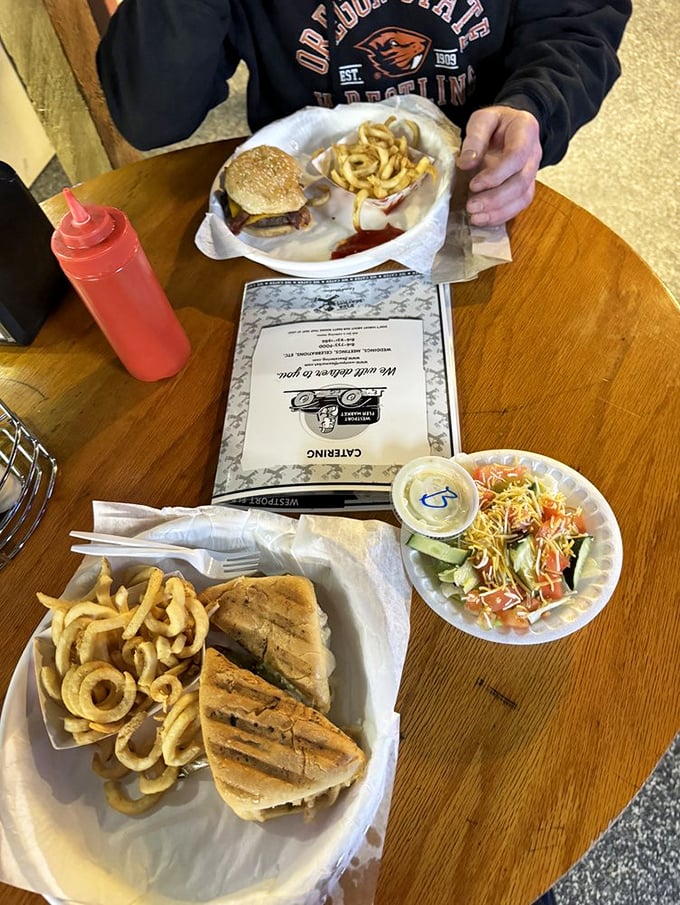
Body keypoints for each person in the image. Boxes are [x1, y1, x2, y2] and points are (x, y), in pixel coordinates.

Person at [96, 1, 631, 228]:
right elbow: (152, 115)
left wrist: (533, 105)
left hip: (473, 191)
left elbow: (574, 26)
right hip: (302, 209)